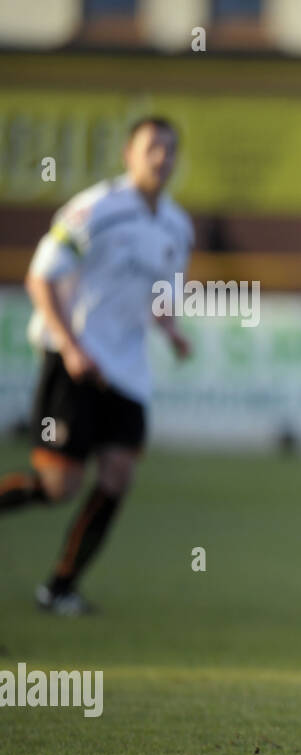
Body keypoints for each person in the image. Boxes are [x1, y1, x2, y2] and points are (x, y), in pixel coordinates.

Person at [0, 117, 192, 615]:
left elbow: (159, 298)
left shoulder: (177, 226)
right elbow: (40, 278)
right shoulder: (95, 210)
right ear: (129, 154)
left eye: (170, 149)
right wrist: (70, 346)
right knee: (57, 487)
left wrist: (170, 331)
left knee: (118, 475)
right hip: (75, 362)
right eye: (152, 147)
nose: (161, 157)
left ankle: (60, 587)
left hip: (127, 371)